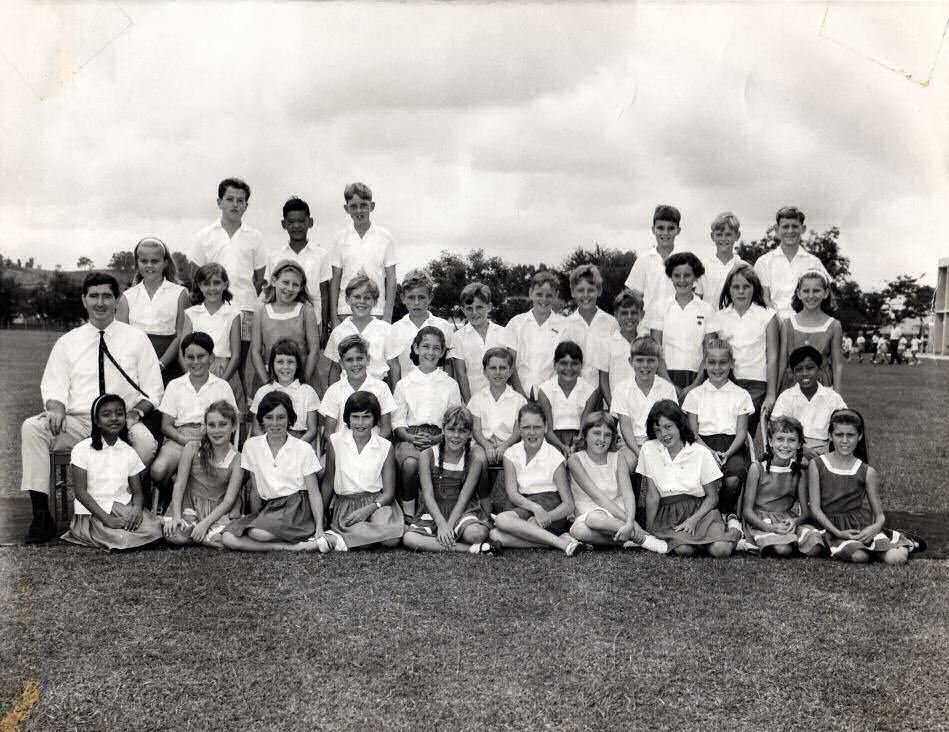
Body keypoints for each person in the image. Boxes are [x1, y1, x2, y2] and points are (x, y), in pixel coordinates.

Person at [20, 272, 162, 543]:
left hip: (122, 421)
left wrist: (135, 414)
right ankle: (41, 515)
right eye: (94, 296)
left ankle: (128, 506)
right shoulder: (68, 341)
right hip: (80, 420)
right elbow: (53, 386)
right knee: (33, 428)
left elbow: (154, 390)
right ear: (84, 300)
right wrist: (56, 408)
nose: (100, 303)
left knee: (145, 442)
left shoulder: (136, 339)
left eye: (107, 296)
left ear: (117, 300)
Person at [808, 409, 919, 564]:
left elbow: (879, 516)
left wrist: (873, 529)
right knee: (859, 556)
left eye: (850, 435)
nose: (844, 440)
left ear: (859, 436)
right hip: (829, 526)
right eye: (839, 435)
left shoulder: (867, 471)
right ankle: (871, 547)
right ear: (830, 436)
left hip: (859, 524)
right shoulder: (817, 464)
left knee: (896, 559)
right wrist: (838, 532)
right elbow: (815, 509)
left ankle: (904, 542)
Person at [222, 392, 328, 552]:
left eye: (281, 417)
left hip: (297, 508)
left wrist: (319, 526)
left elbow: (313, 491)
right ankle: (294, 547)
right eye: (269, 417)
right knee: (228, 537)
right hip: (269, 508)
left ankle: (297, 536)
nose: (275, 423)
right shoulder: (251, 446)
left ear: (289, 419)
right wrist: (255, 516)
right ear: (262, 420)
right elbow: (256, 489)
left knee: (258, 533)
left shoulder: (303, 448)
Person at [189, 177, 267, 394]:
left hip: (245, 311)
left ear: (246, 205)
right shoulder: (204, 236)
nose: (235, 204)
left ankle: (240, 415)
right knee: (212, 361)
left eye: (240, 201)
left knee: (240, 366)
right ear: (219, 202)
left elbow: (259, 278)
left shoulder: (255, 237)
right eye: (230, 199)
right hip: (213, 311)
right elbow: (195, 275)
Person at [61, 394, 164, 550]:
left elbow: (137, 492)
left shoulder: (128, 451)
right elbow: (81, 493)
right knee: (122, 538)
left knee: (155, 529)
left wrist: (136, 510)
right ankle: (108, 534)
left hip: (121, 507)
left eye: (119, 413)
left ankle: (124, 534)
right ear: (96, 421)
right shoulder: (82, 449)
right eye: (106, 415)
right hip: (94, 512)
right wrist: (107, 519)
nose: (114, 418)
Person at [637, 400, 739, 557]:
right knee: (684, 550)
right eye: (657, 430)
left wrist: (693, 520)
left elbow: (713, 497)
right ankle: (699, 542)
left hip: (698, 511)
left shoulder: (700, 452)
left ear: (679, 425)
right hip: (668, 513)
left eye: (668, 427)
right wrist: (650, 530)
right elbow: (652, 495)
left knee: (721, 550)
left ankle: (733, 527)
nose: (663, 434)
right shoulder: (649, 449)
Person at [488, 403, 590, 556]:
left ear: (546, 427)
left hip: (551, 506)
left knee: (500, 532)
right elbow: (512, 494)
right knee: (496, 531)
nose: (531, 432)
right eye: (526, 427)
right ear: (519, 429)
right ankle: (560, 542)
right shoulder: (511, 454)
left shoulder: (554, 457)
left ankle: (552, 539)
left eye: (537, 427)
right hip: (523, 504)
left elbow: (568, 505)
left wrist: (546, 517)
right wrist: (536, 509)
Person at [150, 332, 238, 507]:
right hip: (179, 438)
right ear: (183, 358)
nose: (196, 362)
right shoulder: (175, 385)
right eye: (190, 357)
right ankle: (171, 499)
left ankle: (199, 505)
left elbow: (231, 421)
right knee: (157, 471)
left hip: (213, 438)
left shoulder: (222, 386)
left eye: (201, 356)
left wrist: (211, 439)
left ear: (211, 357)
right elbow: (166, 426)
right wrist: (185, 440)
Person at [566, 412, 667, 552]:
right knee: (581, 531)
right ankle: (636, 539)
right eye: (596, 433)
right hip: (588, 515)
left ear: (613, 437)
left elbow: (628, 494)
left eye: (607, 435)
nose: (602, 439)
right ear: (585, 434)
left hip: (617, 515)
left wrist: (630, 520)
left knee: (592, 522)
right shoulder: (575, 460)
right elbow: (598, 498)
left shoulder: (618, 458)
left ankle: (632, 537)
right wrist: (632, 524)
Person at [403, 406, 495, 554]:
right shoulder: (427, 455)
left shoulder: (474, 461)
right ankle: (471, 549)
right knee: (410, 539)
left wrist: (449, 525)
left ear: (470, 433)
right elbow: (427, 496)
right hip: (434, 511)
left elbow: (464, 499)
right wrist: (441, 524)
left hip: (462, 511)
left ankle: (456, 538)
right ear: (443, 430)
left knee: (476, 534)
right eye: (451, 429)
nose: (456, 436)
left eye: (462, 431)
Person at [392, 327, 463, 518]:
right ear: (415, 348)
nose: (430, 353)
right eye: (425, 347)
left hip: (442, 437)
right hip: (410, 436)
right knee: (410, 464)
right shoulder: (404, 384)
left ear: (441, 353)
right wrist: (410, 437)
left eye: (436, 348)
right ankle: (409, 512)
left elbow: (455, 419)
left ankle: (442, 509)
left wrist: (439, 438)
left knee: (444, 464)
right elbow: (397, 421)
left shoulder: (450, 384)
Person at [320, 392, 404, 551]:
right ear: (347, 418)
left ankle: (340, 539)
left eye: (366, 417)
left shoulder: (385, 446)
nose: (360, 423)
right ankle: (349, 537)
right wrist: (320, 516)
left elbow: (389, 493)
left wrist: (368, 509)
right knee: (384, 537)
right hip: (347, 505)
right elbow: (328, 483)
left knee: (391, 541)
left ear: (375, 419)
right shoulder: (335, 442)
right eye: (355, 417)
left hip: (377, 503)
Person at [681, 339, 754, 521]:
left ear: (731, 364)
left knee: (732, 479)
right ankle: (703, 513)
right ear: (705, 364)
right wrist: (711, 452)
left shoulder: (741, 394)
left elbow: (742, 432)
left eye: (723, 362)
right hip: (702, 445)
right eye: (712, 362)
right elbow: (693, 433)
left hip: (732, 446)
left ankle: (723, 512)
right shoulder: (695, 394)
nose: (717, 368)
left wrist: (728, 453)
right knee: (701, 481)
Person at [707, 263, 779, 442]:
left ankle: (749, 467)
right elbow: (711, 354)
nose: (741, 292)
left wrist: (770, 394)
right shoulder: (719, 317)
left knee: (748, 433)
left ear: (754, 289)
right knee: (726, 431)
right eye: (736, 287)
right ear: (728, 289)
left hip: (756, 385)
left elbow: (773, 357)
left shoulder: (767, 316)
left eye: (746, 286)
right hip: (727, 382)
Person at [163, 401, 243, 547]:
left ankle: (204, 533)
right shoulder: (192, 448)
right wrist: (176, 517)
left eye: (223, 424)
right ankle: (200, 536)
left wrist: (205, 524)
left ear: (234, 427)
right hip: (189, 506)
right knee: (174, 535)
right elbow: (179, 485)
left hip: (216, 512)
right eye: (211, 425)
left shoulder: (237, 459)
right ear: (204, 427)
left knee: (224, 538)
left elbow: (229, 500)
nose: (216, 430)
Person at [740, 416, 823, 557]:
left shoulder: (799, 471)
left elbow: (806, 512)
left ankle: (791, 541)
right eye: (780, 439)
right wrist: (770, 527)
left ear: (799, 444)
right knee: (782, 549)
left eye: (791, 440)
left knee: (815, 545)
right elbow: (747, 511)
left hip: (786, 518)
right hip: (760, 520)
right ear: (771, 441)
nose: (785, 445)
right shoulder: (758, 468)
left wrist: (795, 521)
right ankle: (781, 543)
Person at [116, 236, 190, 384]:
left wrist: (161, 364)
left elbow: (181, 335)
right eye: (144, 261)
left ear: (165, 263)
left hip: (169, 361)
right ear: (137, 263)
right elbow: (121, 336)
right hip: (135, 363)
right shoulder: (128, 296)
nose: (149, 265)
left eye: (155, 261)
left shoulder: (180, 293)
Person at [328, 181, 398, 326]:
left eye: (363, 205)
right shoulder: (340, 238)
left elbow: (391, 278)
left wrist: (388, 314)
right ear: (346, 208)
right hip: (345, 309)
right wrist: (334, 317)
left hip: (376, 310)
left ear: (372, 206)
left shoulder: (385, 237)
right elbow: (335, 280)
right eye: (353, 206)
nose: (359, 211)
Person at [266, 197, 331, 344]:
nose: (296, 226)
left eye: (301, 221)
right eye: (291, 222)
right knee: (284, 364)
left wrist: (325, 326)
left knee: (310, 364)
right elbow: (270, 293)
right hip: (280, 320)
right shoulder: (275, 257)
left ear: (310, 222)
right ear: (284, 224)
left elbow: (324, 293)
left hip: (313, 321)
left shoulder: (321, 255)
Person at [250, 260, 321, 395]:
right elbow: (255, 351)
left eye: (295, 285)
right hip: (270, 376)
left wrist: (303, 382)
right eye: (285, 282)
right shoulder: (261, 311)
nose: (289, 288)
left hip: (301, 377)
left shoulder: (306, 311)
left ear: (301, 288)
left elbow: (314, 350)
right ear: (274, 281)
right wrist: (267, 384)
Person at [610, 335, 678, 471]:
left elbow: (670, 424)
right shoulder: (622, 389)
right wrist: (638, 452)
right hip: (629, 444)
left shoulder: (667, 388)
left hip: (660, 442)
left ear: (659, 362)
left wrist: (655, 448)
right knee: (627, 463)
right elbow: (625, 426)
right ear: (630, 361)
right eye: (639, 360)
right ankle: (626, 493)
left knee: (666, 463)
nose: (645, 366)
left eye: (651, 360)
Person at [651, 251, 715, 394]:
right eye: (676, 275)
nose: (682, 280)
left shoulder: (707, 309)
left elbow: (709, 352)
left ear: (695, 277)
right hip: (665, 376)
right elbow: (655, 350)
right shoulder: (660, 307)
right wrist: (668, 384)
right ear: (670, 277)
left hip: (697, 378)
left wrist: (696, 384)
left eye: (687, 275)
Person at [179, 263, 243, 406]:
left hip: (225, 372)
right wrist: (191, 377)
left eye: (217, 283)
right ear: (200, 286)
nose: (212, 288)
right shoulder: (192, 313)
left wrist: (221, 383)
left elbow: (236, 355)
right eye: (206, 284)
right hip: (196, 368)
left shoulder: (233, 314)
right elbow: (182, 351)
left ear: (225, 284)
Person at [771, 346, 847, 459]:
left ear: (820, 370)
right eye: (799, 369)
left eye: (810, 368)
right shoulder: (786, 397)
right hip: (792, 448)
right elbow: (776, 428)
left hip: (827, 448)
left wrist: (829, 449)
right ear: (792, 373)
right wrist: (800, 449)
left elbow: (845, 426)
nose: (804, 373)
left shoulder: (833, 398)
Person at [753, 206, 829, 320]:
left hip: (807, 323)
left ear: (803, 229)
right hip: (773, 323)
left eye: (795, 226)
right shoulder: (764, 262)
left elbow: (824, 296)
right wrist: (778, 324)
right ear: (776, 229)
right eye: (785, 227)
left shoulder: (814, 262)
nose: (790, 231)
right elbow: (764, 298)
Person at [502, 270, 566, 399]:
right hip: (517, 396)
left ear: (556, 295)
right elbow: (510, 364)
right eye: (539, 294)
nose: (544, 299)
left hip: (553, 397)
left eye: (549, 295)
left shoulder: (565, 325)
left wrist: (549, 398)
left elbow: (564, 366)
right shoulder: (516, 323)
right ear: (531, 293)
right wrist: (521, 396)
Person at [385, 268, 455, 386]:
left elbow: (448, 363)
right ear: (403, 298)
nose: (416, 303)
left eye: (421, 297)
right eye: (411, 297)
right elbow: (394, 367)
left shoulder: (444, 326)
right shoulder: (395, 329)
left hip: (437, 391)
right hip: (408, 393)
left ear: (430, 298)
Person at [778, 270, 843, 391]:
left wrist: (837, 397)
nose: (811, 295)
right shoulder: (787, 324)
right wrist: (774, 394)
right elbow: (782, 363)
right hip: (792, 385)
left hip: (822, 386)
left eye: (816, 291)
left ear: (826, 293)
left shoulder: (834, 326)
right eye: (806, 291)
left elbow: (837, 365)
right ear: (798, 293)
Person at [319, 335, 395, 438]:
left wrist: (373, 449)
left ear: (368, 359)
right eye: (349, 360)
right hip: (343, 449)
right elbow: (329, 433)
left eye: (359, 358)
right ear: (341, 363)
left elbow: (386, 429)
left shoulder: (381, 388)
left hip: (374, 448)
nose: (355, 364)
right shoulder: (334, 391)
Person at [248, 339, 320, 445]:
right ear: (272, 364)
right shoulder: (263, 392)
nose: (285, 367)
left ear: (297, 365)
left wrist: (294, 447)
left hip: (299, 443)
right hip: (268, 443)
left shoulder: (307, 392)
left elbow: (312, 430)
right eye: (280, 362)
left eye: (290, 362)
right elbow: (256, 429)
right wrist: (269, 446)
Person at [623, 204, 684, 329]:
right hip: (647, 328)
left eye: (671, 228)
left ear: (678, 230)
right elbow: (634, 298)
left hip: (678, 328)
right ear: (653, 229)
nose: (665, 233)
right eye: (660, 228)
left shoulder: (685, 260)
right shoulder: (643, 260)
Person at [323, 274, 392, 384]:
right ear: (347, 299)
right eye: (357, 297)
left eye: (367, 298)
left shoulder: (386, 330)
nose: (362, 301)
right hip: (347, 390)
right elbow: (335, 368)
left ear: (375, 302)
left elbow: (394, 367)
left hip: (378, 389)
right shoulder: (338, 332)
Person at [536, 341, 599, 457]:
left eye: (574, 363)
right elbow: (547, 430)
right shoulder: (545, 390)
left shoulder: (590, 391)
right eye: (563, 363)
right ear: (555, 365)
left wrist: (576, 444)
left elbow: (584, 427)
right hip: (552, 441)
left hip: (579, 440)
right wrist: (562, 447)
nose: (569, 368)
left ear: (581, 365)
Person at [559, 264, 619, 385]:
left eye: (591, 290)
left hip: (605, 393)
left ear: (599, 291)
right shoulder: (566, 325)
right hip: (575, 393)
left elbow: (615, 363)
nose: (586, 295)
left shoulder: (611, 323)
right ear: (572, 292)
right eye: (580, 290)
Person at [451, 282, 507, 403]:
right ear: (463, 310)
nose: (474, 313)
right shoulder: (458, 337)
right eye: (469, 309)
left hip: (503, 399)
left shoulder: (503, 333)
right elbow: (461, 374)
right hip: (475, 399)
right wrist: (470, 404)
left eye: (479, 307)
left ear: (489, 306)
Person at [594, 290, 648, 409]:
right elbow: (603, 380)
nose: (629, 317)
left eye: (634, 313)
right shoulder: (607, 344)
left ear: (641, 314)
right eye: (624, 313)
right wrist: (613, 405)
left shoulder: (646, 342)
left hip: (643, 405)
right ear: (616, 315)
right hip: (618, 407)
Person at [697, 212, 746, 309]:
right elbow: (697, 298)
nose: (723, 239)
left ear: (737, 235)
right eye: (719, 235)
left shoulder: (744, 267)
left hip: (735, 320)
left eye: (728, 234)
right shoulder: (702, 266)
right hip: (709, 320)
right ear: (712, 236)